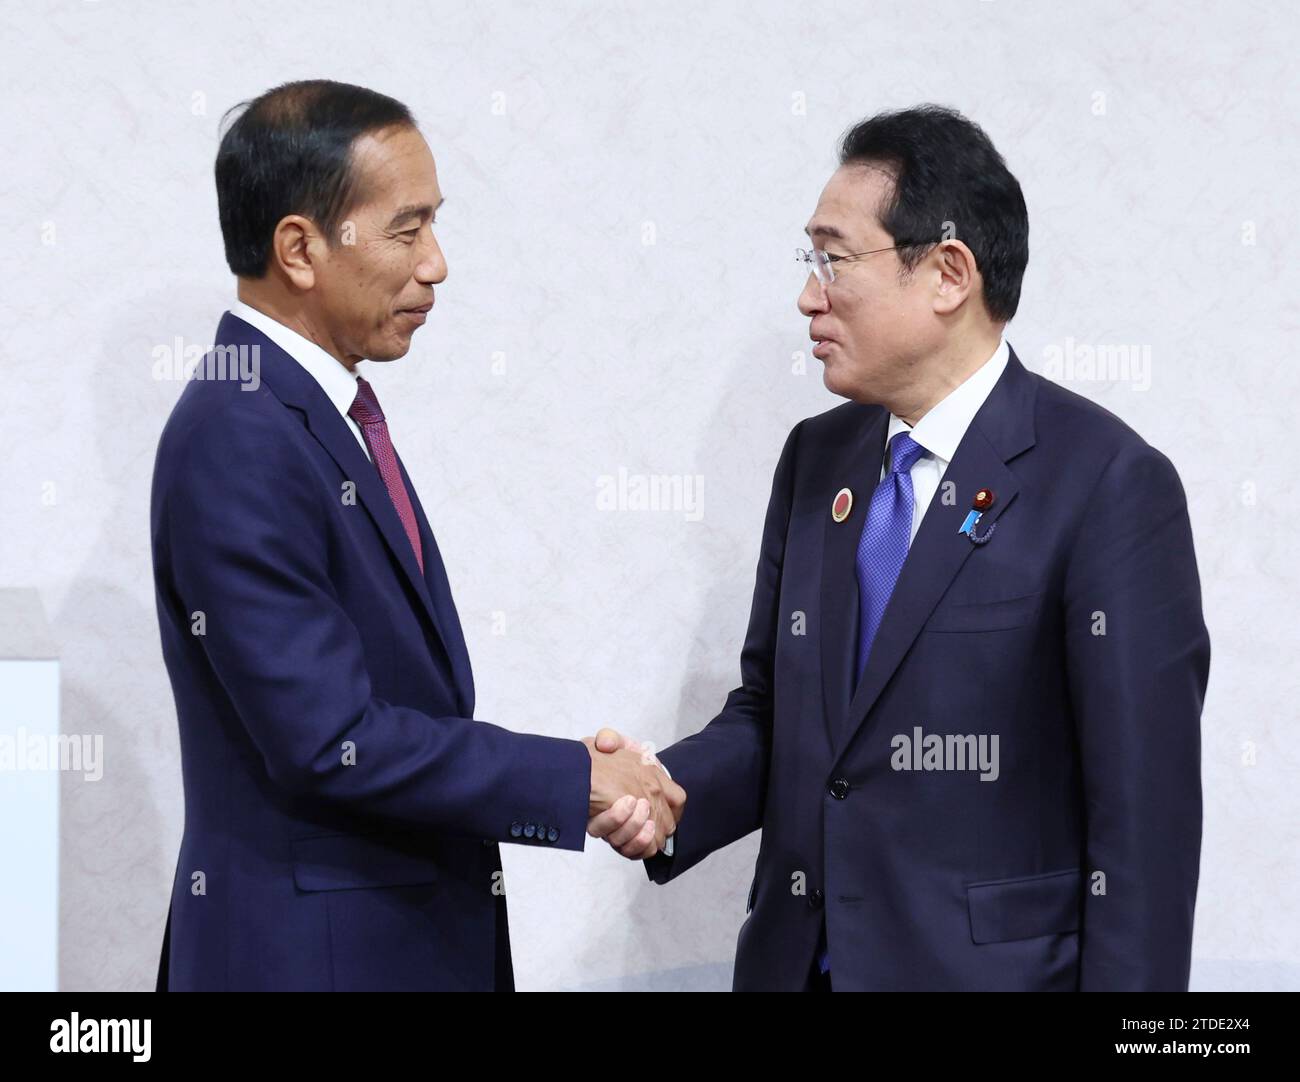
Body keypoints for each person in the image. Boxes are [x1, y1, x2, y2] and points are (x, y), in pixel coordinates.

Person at [591, 104, 1209, 992]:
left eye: (833, 260)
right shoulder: (817, 460)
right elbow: (778, 717)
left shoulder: (1107, 484)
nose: (810, 293)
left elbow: (1143, 825)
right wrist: (665, 794)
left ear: (948, 272)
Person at [150, 79, 683, 991]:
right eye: (408, 229)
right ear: (299, 248)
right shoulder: (239, 435)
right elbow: (329, 739)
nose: (436, 264)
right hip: (313, 963)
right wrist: (574, 781)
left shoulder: (311, 413)